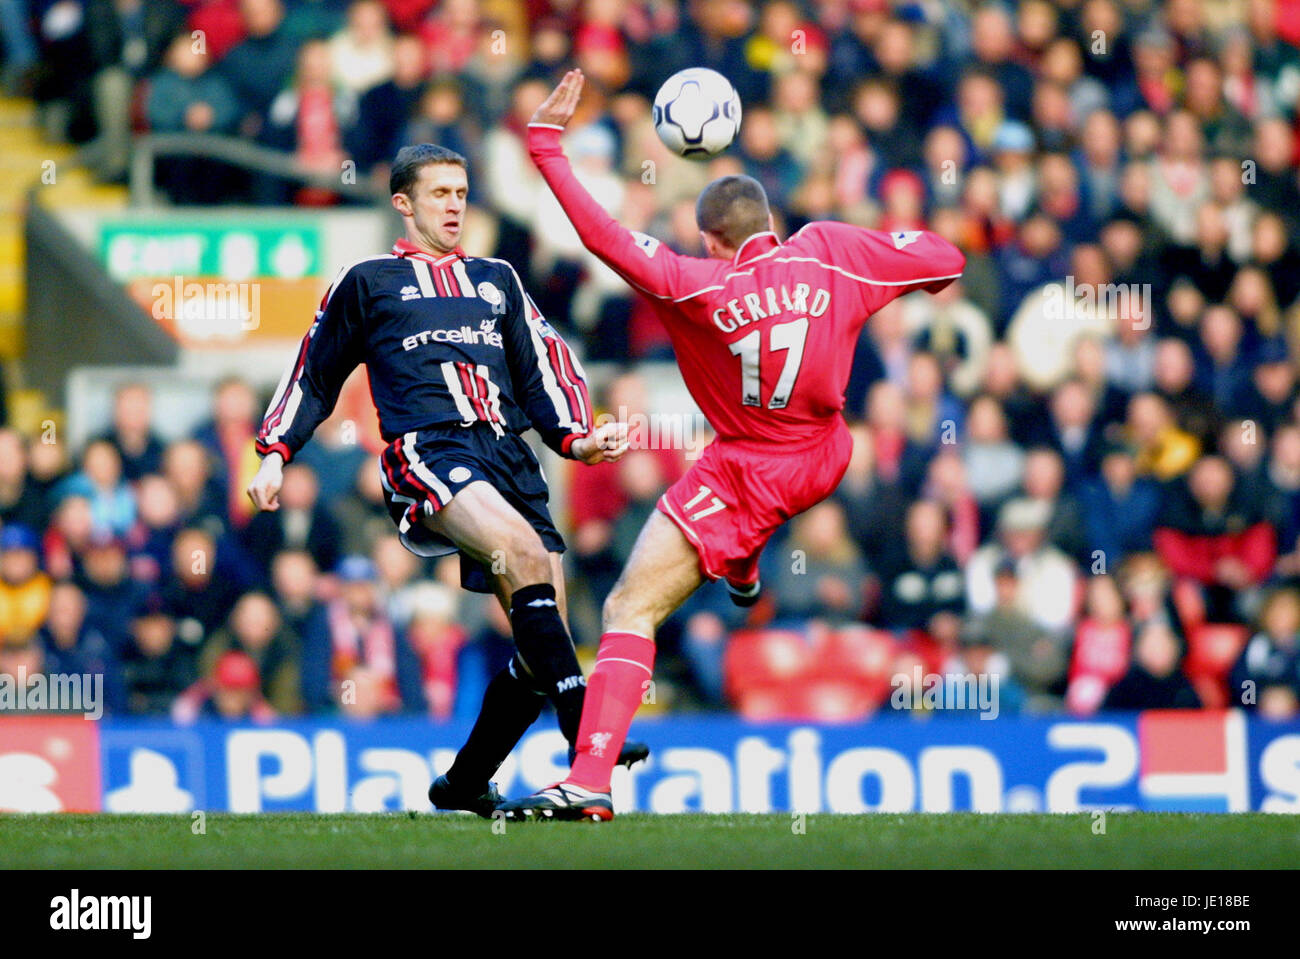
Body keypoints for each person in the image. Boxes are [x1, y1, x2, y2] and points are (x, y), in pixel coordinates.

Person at [499, 70, 965, 820]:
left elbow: (601, 235)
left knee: (628, 607)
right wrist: (907, 272)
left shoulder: (694, 283)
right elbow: (946, 259)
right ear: (771, 219)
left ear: (710, 239)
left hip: (747, 464)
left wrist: (547, 146)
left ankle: (587, 778)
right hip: (826, 450)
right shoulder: (834, 251)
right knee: (726, 530)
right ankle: (742, 568)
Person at [245, 140, 645, 818]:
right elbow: (314, 371)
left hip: (509, 456)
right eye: (439, 193)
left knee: (538, 636)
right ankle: (585, 729)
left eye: (461, 192)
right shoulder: (368, 280)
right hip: (428, 449)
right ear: (402, 203)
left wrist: (581, 434)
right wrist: (275, 450)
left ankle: (462, 781)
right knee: (521, 558)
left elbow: (543, 365)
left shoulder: (498, 279)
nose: (454, 205)